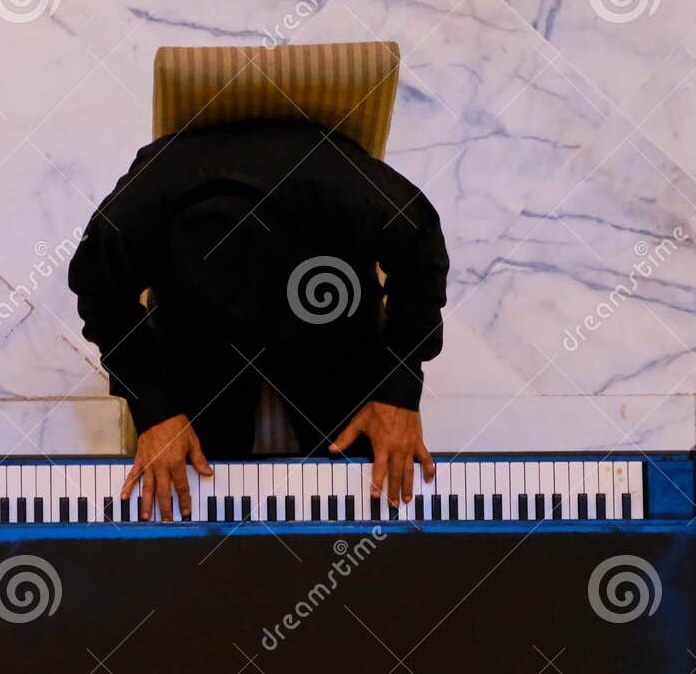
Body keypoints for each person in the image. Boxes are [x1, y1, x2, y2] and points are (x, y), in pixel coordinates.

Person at [68, 118, 449, 521]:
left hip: (329, 329)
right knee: (188, 491)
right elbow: (98, 293)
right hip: (199, 340)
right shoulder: (148, 200)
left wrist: (399, 387)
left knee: (369, 484)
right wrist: (154, 408)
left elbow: (422, 247)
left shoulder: (343, 186)